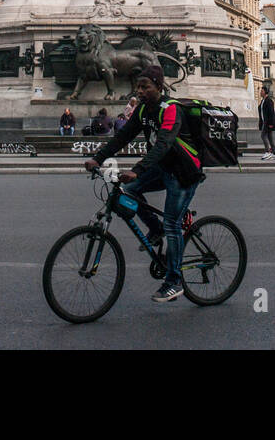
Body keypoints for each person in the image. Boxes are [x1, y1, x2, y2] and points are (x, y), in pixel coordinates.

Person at [83, 65, 202, 303]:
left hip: (183, 171)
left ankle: (174, 281)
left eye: (145, 86)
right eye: (138, 86)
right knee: (130, 191)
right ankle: (154, 229)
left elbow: (164, 143)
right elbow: (122, 137)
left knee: (172, 223)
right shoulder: (142, 111)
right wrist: (98, 157)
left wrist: (138, 170)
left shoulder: (171, 110)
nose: (140, 91)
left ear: (159, 86)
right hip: (163, 167)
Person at [258, 86, 275, 160]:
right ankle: (274, 153)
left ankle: (268, 151)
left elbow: (271, 113)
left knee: (263, 135)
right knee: (270, 137)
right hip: (264, 122)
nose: (261, 92)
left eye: (262, 91)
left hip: (267, 122)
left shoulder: (269, 101)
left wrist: (270, 123)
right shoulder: (262, 101)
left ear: (265, 92)